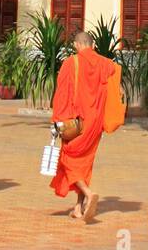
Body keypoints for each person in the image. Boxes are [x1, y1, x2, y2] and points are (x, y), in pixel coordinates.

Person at [49, 31, 119, 223]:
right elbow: (114, 87)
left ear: (77, 45)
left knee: (68, 159)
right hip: (96, 123)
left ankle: (88, 193)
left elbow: (62, 94)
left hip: (77, 123)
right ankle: (78, 208)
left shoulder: (71, 63)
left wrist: (58, 121)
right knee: (85, 165)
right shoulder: (107, 64)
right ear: (93, 45)